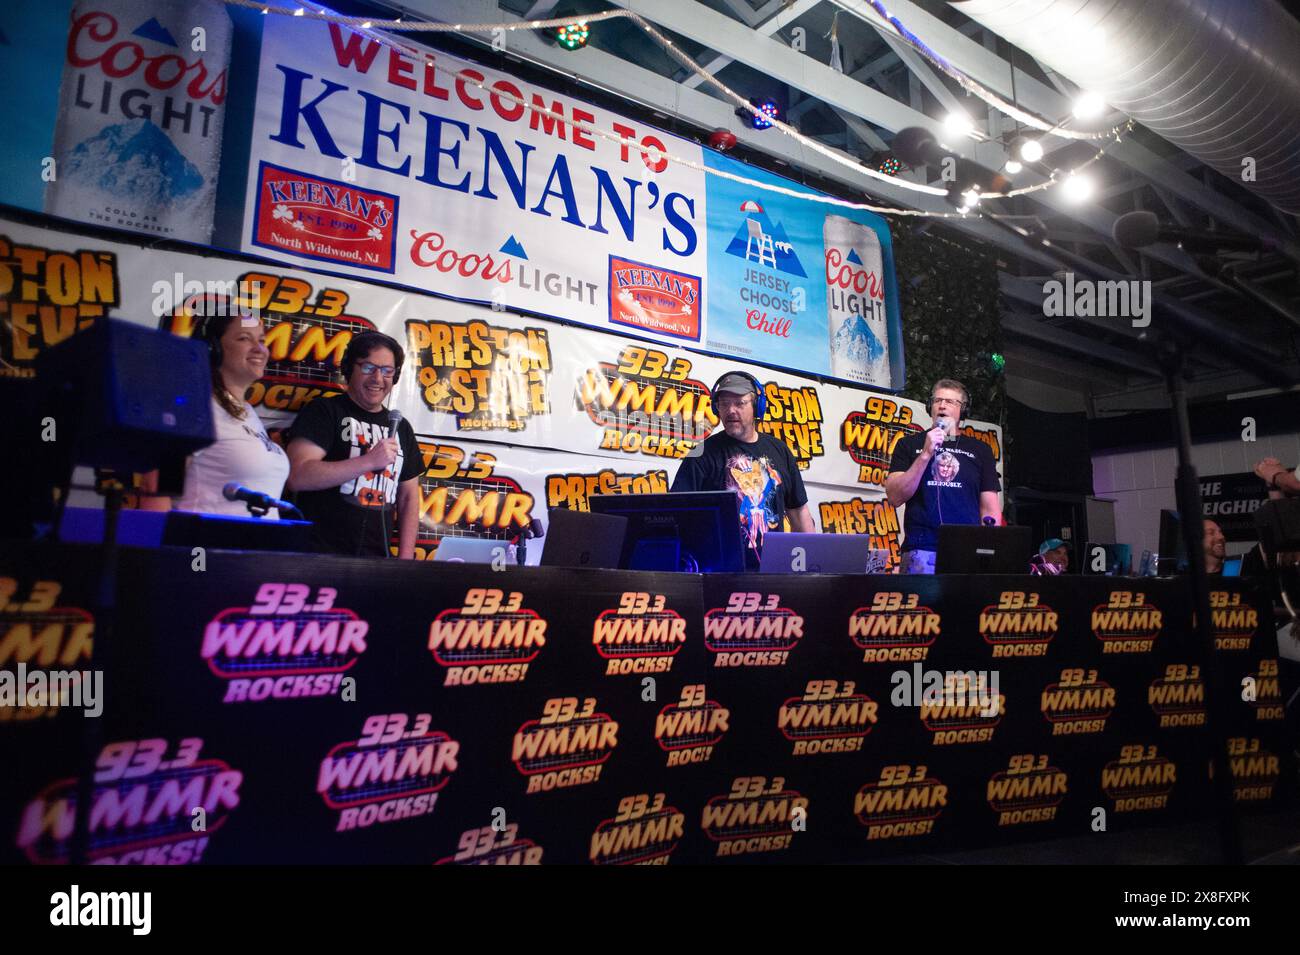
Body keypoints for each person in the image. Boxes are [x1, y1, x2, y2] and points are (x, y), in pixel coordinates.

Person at [139, 300, 289, 517]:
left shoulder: (247, 413)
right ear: (213, 348)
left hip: (254, 547)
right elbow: (156, 490)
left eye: (262, 340)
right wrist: (159, 548)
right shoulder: (192, 408)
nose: (259, 349)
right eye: (244, 338)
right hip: (202, 547)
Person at [286, 331, 422, 557]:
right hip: (318, 555)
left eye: (387, 371)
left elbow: (408, 498)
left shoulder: (401, 427)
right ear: (350, 369)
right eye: (368, 367)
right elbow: (298, 476)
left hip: (376, 562)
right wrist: (368, 461)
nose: (378, 379)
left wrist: (405, 561)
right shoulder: (324, 411)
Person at [671, 370, 813, 569]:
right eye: (724, 404)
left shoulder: (780, 450)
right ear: (716, 409)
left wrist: (814, 565)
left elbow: (799, 513)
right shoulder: (701, 454)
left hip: (775, 571)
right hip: (721, 574)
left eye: (739, 403)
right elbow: (675, 514)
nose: (730, 410)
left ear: (757, 407)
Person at [885, 378, 1002, 574]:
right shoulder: (908, 444)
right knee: (920, 604)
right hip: (920, 551)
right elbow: (895, 497)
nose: (942, 405)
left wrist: (988, 553)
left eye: (950, 402)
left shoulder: (980, 450)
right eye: (938, 400)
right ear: (930, 406)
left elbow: (990, 510)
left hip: (967, 551)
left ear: (962, 410)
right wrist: (925, 454)